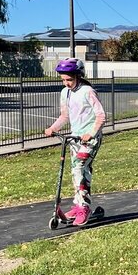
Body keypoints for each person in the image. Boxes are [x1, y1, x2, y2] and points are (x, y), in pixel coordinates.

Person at [43, 58, 106, 225]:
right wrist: (53, 128)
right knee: (78, 172)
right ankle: (79, 205)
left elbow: (101, 116)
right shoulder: (65, 93)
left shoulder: (88, 91)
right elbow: (65, 116)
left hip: (90, 139)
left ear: (79, 76)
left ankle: (84, 207)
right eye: (63, 80)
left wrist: (91, 133)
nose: (66, 83)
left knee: (79, 167)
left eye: (69, 79)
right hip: (74, 138)